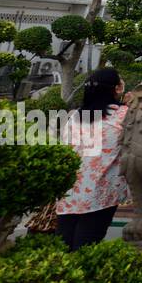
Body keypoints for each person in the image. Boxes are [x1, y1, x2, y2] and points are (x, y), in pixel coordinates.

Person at [55, 68, 130, 250]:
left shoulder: (74, 117)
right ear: (117, 88)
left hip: (69, 191)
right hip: (100, 193)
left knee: (62, 245)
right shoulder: (124, 115)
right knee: (86, 247)